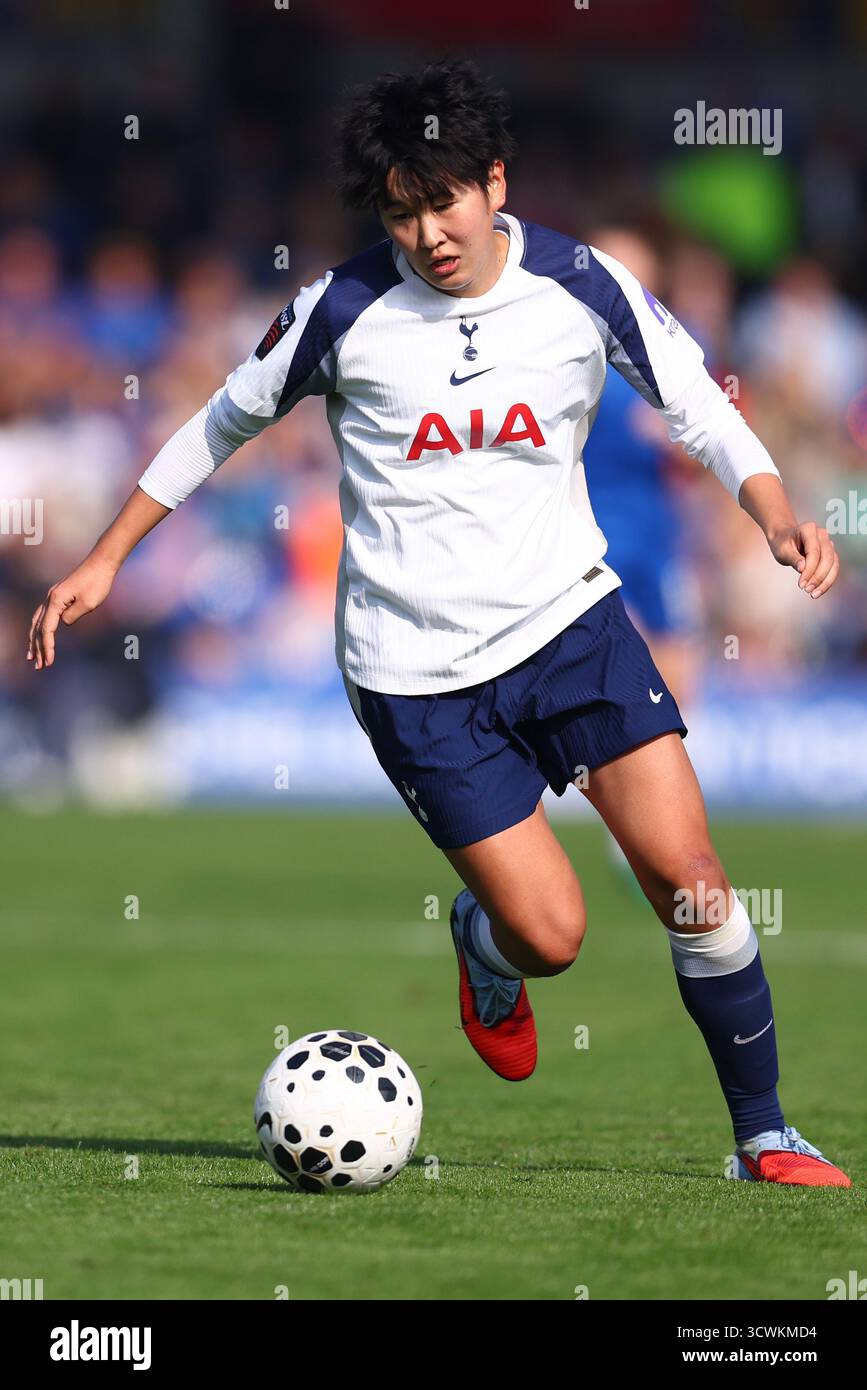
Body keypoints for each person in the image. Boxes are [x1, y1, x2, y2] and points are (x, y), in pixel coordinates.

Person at [27, 58, 847, 1186]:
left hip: (573, 625)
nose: (427, 233)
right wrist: (106, 558)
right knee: (551, 936)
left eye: (443, 201)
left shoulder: (580, 281)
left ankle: (764, 1133)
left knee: (692, 878)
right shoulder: (344, 308)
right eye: (401, 211)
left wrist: (775, 513)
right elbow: (215, 424)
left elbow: (700, 403)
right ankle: (482, 937)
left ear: (494, 182)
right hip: (416, 675)